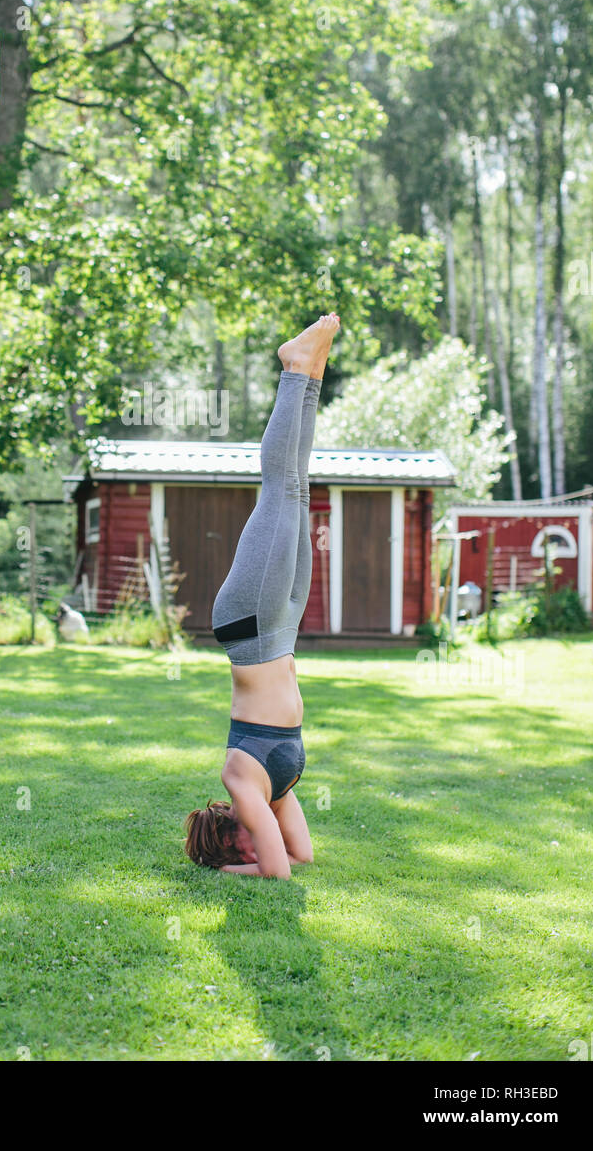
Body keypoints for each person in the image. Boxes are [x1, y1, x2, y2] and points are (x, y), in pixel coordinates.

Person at [184, 314, 341, 878]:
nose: (260, 848)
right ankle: (311, 372)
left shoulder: (242, 780)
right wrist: (261, 849)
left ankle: (295, 369)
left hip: (251, 623)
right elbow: (299, 857)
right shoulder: (276, 790)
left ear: (234, 838)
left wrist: (227, 872)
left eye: (245, 849)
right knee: (298, 488)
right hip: (281, 627)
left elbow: (277, 874)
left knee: (279, 490)